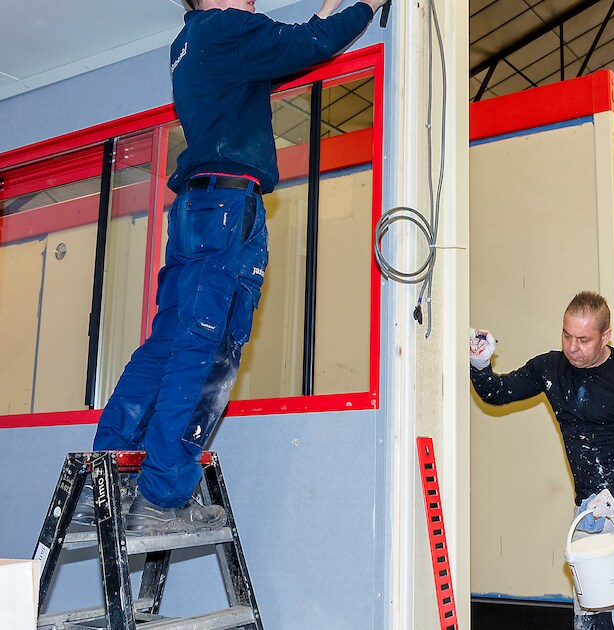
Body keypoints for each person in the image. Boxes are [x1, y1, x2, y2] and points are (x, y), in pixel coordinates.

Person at [75, 0, 385, 535]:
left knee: (168, 344)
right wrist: (364, 7)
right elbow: (301, 46)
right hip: (226, 211)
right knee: (207, 347)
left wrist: (333, 10)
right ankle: (163, 496)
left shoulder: (193, 41)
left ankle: (108, 478)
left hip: (197, 209)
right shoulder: (228, 29)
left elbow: (294, 45)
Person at [469, 291, 614, 630]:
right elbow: (498, 393)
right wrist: (479, 365)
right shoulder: (551, 369)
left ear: (606, 336)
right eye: (567, 334)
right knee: (593, 611)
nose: (572, 347)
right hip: (589, 512)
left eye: (583, 339)